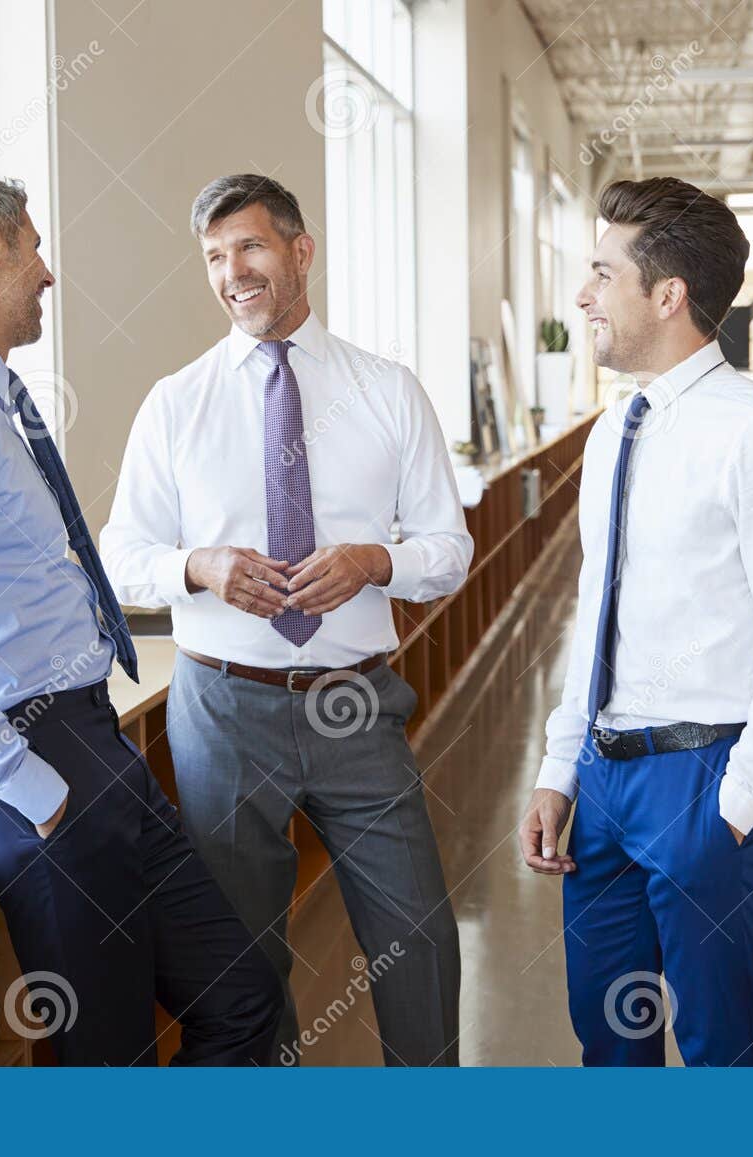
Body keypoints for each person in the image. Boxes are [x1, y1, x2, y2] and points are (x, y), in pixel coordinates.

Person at [0, 163, 282, 1066]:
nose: (47, 271)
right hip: (36, 765)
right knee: (107, 1060)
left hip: (90, 741)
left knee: (241, 996)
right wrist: (35, 792)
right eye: (36, 245)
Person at [101, 174, 470, 1066]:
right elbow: (121, 552)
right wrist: (200, 565)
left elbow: (447, 549)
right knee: (243, 963)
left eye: (252, 247)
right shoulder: (176, 402)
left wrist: (373, 561)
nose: (235, 272)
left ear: (301, 252)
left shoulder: (385, 389)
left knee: (416, 933)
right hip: (223, 713)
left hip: (357, 703)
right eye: (216, 257)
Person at [517, 176, 753, 1066]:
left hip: (704, 778)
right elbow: (596, 614)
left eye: (600, 272)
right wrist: (559, 765)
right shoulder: (612, 430)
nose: (583, 294)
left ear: (668, 295)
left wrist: (737, 807)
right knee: (607, 1037)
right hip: (603, 782)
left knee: (720, 1046)